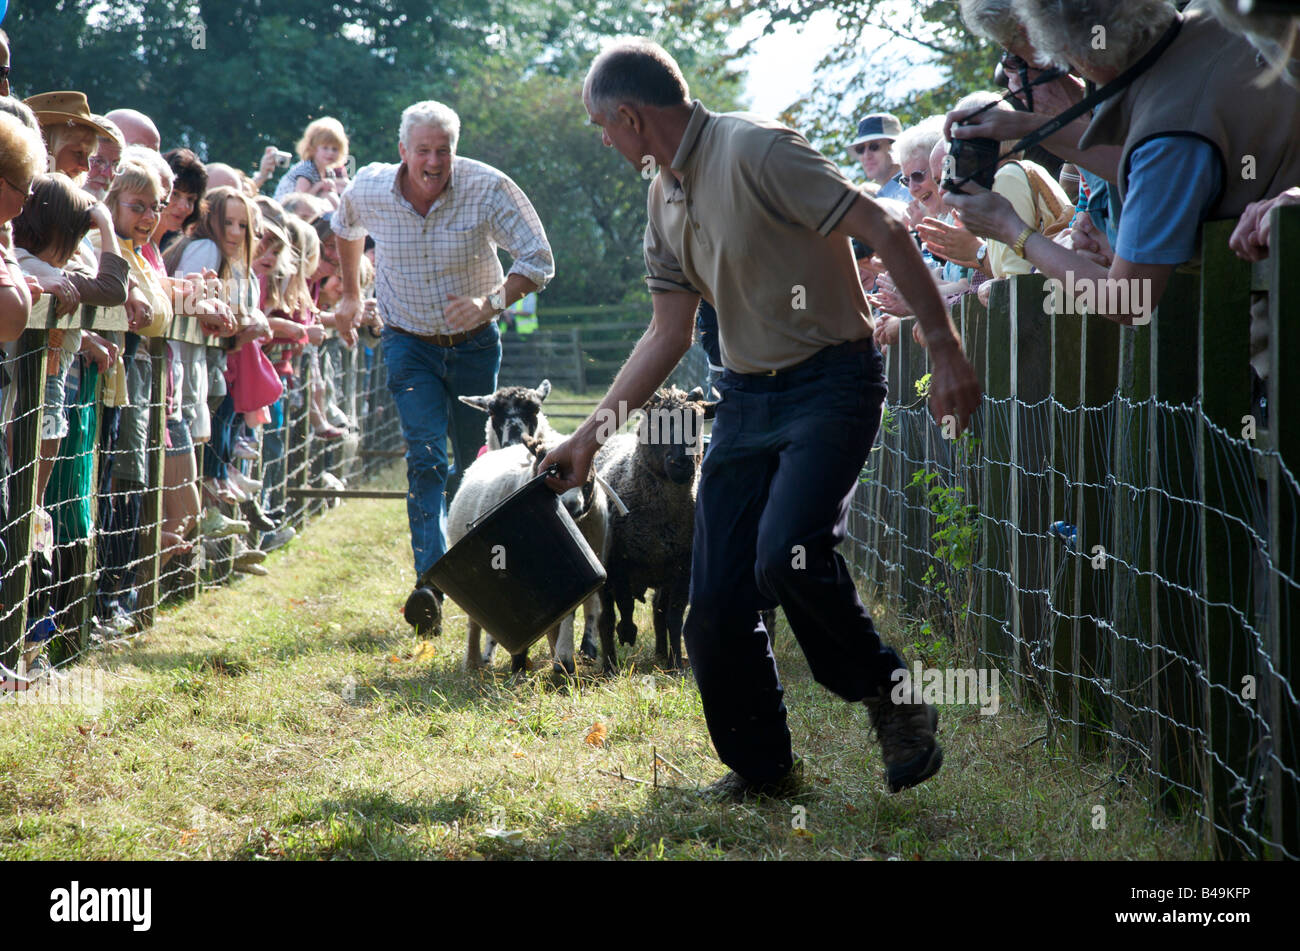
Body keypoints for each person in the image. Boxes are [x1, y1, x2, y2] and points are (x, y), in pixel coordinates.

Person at [540, 41, 981, 799]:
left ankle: (892, 694)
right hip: (744, 397)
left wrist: (943, 349)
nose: (602, 139)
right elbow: (667, 333)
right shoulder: (662, 193)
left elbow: (885, 230)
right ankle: (762, 767)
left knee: (788, 553)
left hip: (831, 382)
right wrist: (587, 438)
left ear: (628, 116)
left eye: (600, 126)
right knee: (712, 600)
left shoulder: (759, 149)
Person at [331, 99, 555, 617]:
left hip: (474, 345)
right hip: (408, 342)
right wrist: (348, 294)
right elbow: (345, 226)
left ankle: (478, 567)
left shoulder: (487, 188)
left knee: (472, 464)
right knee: (426, 458)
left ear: (456, 150)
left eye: (444, 151)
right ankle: (430, 582)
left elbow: (539, 259)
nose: (433, 163)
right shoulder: (369, 187)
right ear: (402, 150)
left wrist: (490, 302)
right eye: (423, 151)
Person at [947, 0, 1300, 324]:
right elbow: (1147, 162)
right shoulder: (1217, 14)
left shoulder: (1167, 138)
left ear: (1070, 53)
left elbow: (1129, 300)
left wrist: (1011, 229)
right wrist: (1026, 127)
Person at [274, 117, 351, 208]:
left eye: (335, 149)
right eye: (325, 148)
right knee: (327, 196)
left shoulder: (329, 172)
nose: (330, 153)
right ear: (312, 148)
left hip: (305, 212)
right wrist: (319, 186)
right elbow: (299, 200)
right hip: (283, 212)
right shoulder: (307, 169)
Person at [848, 112, 909, 203]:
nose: (866, 156)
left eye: (874, 146)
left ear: (895, 147)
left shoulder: (912, 190)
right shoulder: (877, 197)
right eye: (860, 149)